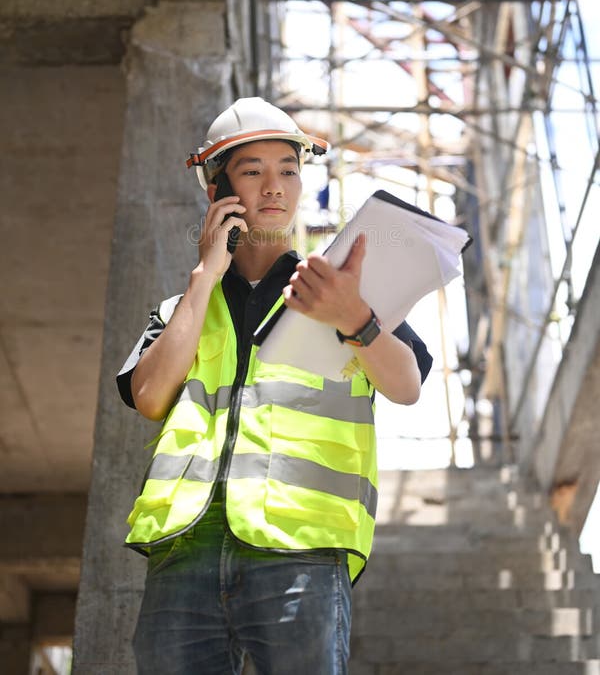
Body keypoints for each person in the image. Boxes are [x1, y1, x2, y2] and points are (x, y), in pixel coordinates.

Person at [117, 97, 432, 675]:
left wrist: (354, 317)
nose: (274, 187)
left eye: (287, 170)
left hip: (301, 550)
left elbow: (407, 384)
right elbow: (150, 396)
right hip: (183, 551)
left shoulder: (336, 288)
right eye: (252, 170)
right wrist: (206, 274)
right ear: (217, 191)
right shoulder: (181, 308)